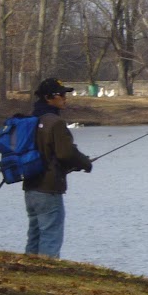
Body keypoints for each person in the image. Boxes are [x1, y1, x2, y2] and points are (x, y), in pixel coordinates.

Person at [23, 77, 93, 258]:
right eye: (61, 95)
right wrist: (85, 163)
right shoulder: (55, 122)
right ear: (49, 97)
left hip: (30, 186)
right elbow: (65, 153)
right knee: (51, 234)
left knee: (35, 233)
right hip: (48, 187)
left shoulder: (31, 120)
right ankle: (47, 271)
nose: (64, 98)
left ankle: (28, 270)